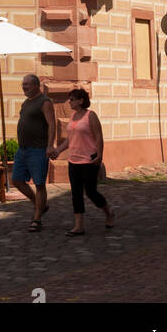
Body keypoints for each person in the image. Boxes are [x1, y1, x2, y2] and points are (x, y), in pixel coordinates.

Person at [50, 87, 114, 236]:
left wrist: (100, 155)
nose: (69, 102)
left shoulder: (90, 116)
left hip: (89, 160)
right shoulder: (72, 117)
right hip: (73, 160)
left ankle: (108, 212)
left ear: (81, 100)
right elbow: (70, 139)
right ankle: (78, 226)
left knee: (91, 192)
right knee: (76, 193)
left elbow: (99, 136)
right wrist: (58, 150)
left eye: (72, 99)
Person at [12, 73, 56, 231]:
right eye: (23, 84)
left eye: (27, 84)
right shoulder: (26, 102)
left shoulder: (44, 102)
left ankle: (37, 219)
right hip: (22, 149)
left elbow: (52, 124)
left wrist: (50, 145)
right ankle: (39, 205)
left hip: (38, 149)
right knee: (16, 180)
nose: (24, 87)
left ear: (36, 85)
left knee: (39, 184)